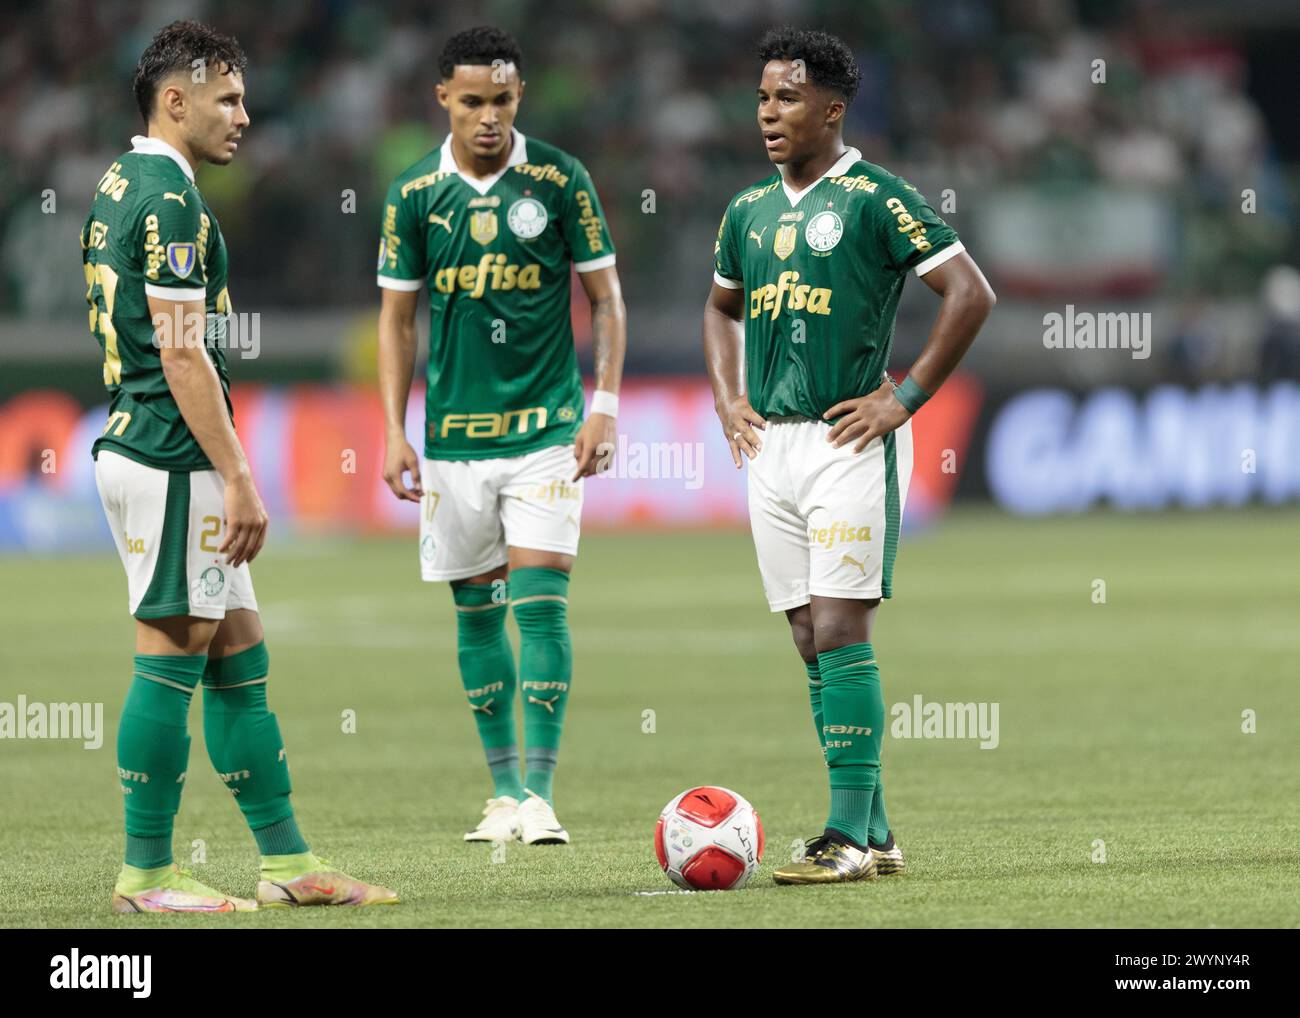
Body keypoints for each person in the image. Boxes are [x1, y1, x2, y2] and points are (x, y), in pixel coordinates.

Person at [86, 20, 397, 911]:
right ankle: (147, 873)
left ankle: (288, 864)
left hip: (144, 440)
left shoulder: (119, 180)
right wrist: (240, 475)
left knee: (237, 656)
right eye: (226, 98)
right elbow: (184, 353)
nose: (244, 116)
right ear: (174, 101)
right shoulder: (172, 200)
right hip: (172, 453)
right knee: (171, 655)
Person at [702, 27, 996, 884]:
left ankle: (847, 837)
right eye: (762, 98)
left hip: (846, 444)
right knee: (806, 635)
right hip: (772, 448)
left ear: (832, 108)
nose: (768, 113)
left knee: (840, 626)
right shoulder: (746, 211)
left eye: (787, 98)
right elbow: (720, 310)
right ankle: (878, 829)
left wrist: (902, 398)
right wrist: (728, 396)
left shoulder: (876, 197)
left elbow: (970, 292)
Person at [377, 26, 627, 846]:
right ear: (443, 98)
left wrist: (606, 404)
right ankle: (504, 791)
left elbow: (607, 300)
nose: (489, 116)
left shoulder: (559, 179)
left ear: (521, 98)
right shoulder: (414, 194)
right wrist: (393, 430)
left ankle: (543, 796)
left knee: (543, 608)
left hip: (548, 429)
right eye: (473, 100)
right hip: (453, 441)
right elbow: (397, 321)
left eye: (503, 100)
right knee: (476, 617)